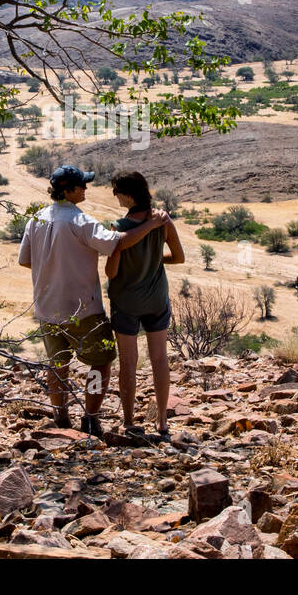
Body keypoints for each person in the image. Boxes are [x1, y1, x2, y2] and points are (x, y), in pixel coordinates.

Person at [18, 165, 168, 437]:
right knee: (101, 362)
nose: (86, 189)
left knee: (58, 364)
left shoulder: (35, 220)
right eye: (82, 186)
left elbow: (25, 261)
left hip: (46, 307)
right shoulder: (81, 222)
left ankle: (61, 417)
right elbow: (117, 243)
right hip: (82, 309)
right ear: (70, 190)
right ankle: (90, 418)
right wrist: (151, 224)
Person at [105, 171, 184, 443]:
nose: (115, 196)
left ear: (128, 195)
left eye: (116, 191)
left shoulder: (118, 226)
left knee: (128, 362)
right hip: (157, 299)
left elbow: (111, 272)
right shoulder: (162, 220)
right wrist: (153, 261)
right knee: (160, 359)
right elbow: (179, 257)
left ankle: (128, 420)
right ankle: (162, 420)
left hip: (126, 301)